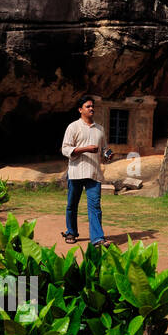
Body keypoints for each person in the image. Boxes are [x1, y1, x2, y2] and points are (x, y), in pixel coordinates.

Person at [60, 96, 114, 248]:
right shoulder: (73, 127)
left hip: (94, 173)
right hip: (76, 172)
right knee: (72, 204)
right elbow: (65, 149)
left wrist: (108, 154)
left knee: (95, 206)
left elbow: (104, 149)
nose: (91, 108)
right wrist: (85, 149)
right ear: (80, 109)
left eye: (92, 106)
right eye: (88, 106)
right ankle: (71, 232)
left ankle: (97, 239)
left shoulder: (100, 129)